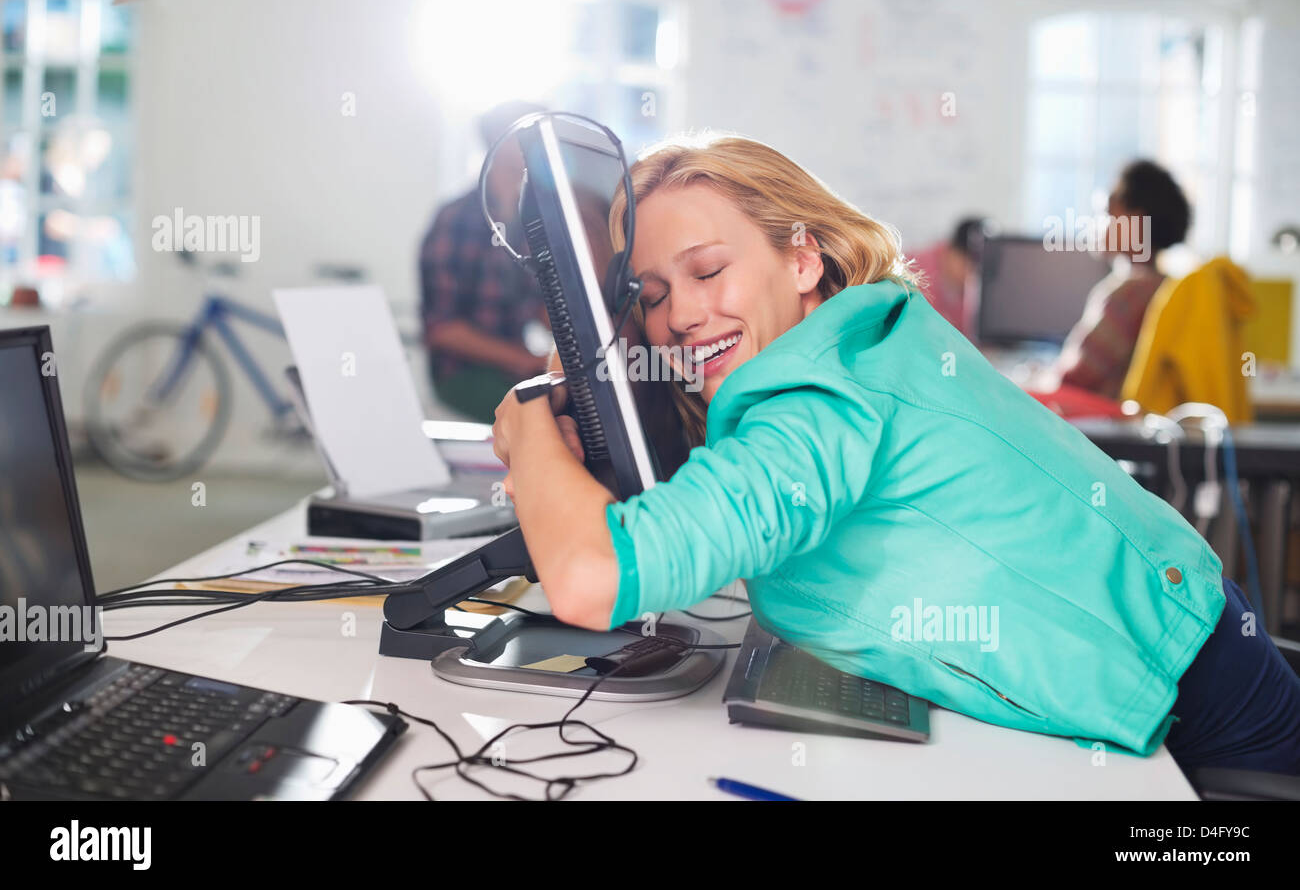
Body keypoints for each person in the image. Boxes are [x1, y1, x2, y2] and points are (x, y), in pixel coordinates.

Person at [490, 133, 1300, 775]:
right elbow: (715, 499)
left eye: (707, 270)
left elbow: (595, 579)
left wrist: (529, 424)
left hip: (1206, 714)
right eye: (655, 296)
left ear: (802, 258)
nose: (684, 317)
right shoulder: (858, 337)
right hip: (1197, 638)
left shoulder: (818, 400)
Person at [419, 100, 551, 422]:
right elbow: (442, 330)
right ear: (499, 141)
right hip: (462, 375)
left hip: (514, 368)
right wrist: (524, 359)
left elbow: (540, 304)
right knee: (549, 419)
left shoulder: (530, 221)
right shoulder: (455, 219)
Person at [1049, 160, 1192, 399]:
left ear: (1135, 219)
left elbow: (1073, 379)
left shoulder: (1126, 295)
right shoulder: (1168, 288)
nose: (1097, 223)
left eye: (1107, 212)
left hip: (1099, 427)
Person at [909, 216, 986, 341]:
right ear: (951, 251)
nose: (971, 276)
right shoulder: (913, 270)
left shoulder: (966, 287)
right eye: (967, 265)